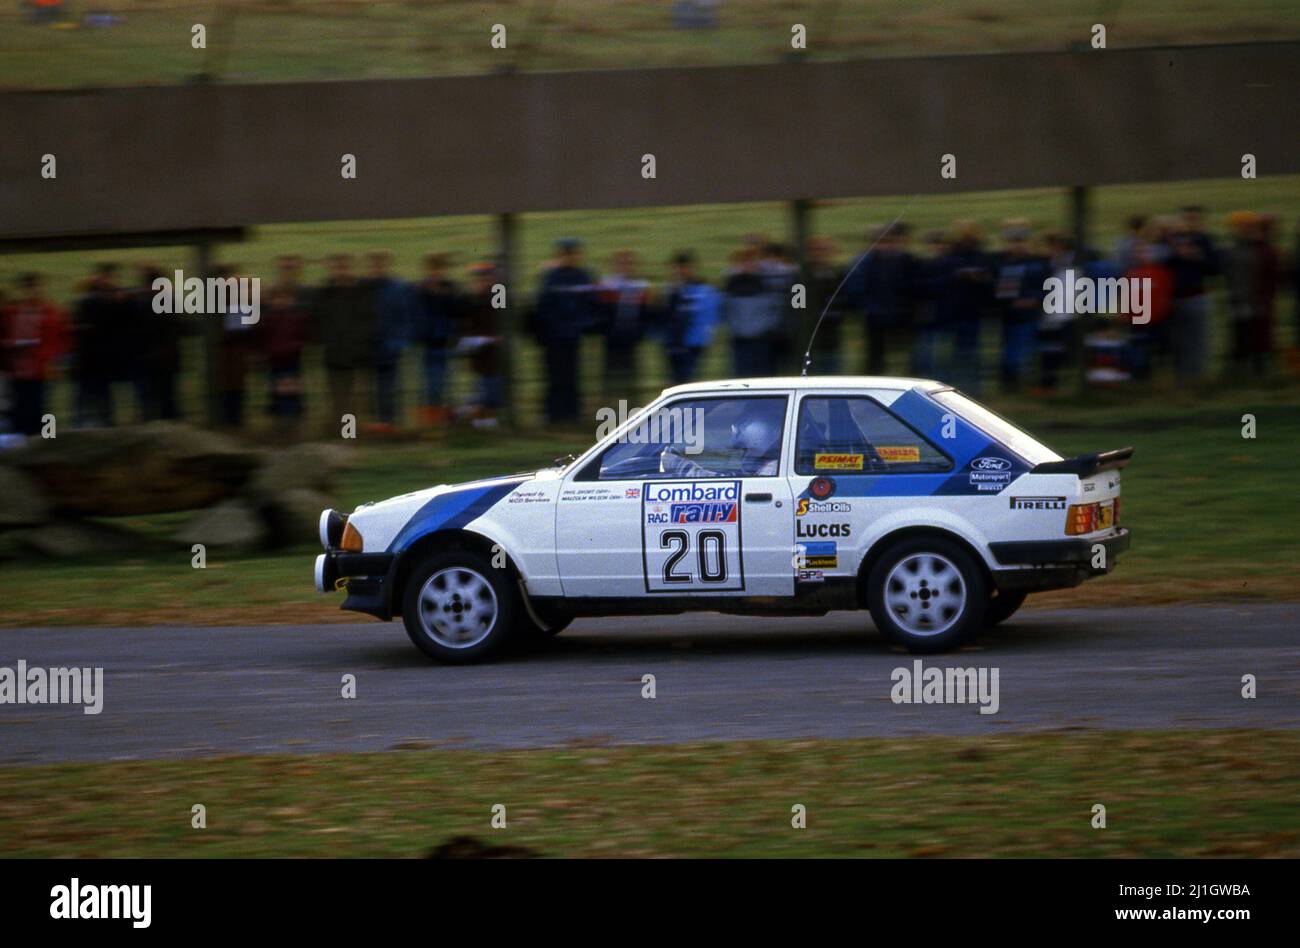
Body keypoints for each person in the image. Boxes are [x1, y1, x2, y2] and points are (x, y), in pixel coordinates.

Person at [534, 238, 595, 425]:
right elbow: (543, 306)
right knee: (554, 377)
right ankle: (553, 415)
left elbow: (589, 304)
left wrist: (581, 326)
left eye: (572, 253)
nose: (569, 257)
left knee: (572, 376)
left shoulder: (582, 276)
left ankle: (571, 415)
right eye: (566, 253)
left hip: (572, 336)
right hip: (554, 337)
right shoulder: (552, 277)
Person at [313, 253, 377, 430]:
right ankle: (342, 432)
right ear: (331, 269)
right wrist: (327, 341)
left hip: (358, 356)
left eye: (344, 267)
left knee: (356, 399)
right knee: (338, 399)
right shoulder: (325, 294)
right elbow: (318, 321)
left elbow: (369, 321)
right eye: (337, 267)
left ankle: (351, 434)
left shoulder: (361, 293)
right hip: (334, 355)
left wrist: (360, 344)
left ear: (351, 269)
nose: (341, 271)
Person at [1, 273, 68, 436]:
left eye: (35, 287)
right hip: (17, 369)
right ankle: (20, 439)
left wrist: (54, 358)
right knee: (19, 406)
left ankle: (48, 436)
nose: (31, 291)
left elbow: (61, 337)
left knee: (44, 406)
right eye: (27, 287)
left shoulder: (50, 311)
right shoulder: (11, 312)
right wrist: (10, 345)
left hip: (41, 368)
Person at [850, 223, 916, 375]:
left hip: (901, 315)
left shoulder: (906, 261)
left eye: (889, 241)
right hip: (875, 317)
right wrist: (869, 308)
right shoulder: (864, 262)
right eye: (881, 241)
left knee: (903, 357)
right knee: (875, 359)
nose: (885, 246)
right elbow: (856, 289)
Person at [992, 220, 1048, 393]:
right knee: (1012, 350)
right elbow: (1001, 291)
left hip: (1031, 314)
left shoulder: (1037, 263)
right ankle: (1011, 383)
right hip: (1011, 316)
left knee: (1026, 350)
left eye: (1020, 241)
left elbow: (1047, 286)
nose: (1017, 245)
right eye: (1013, 241)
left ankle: (1022, 382)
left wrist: (1035, 299)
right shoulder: (1004, 263)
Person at [1167, 204, 1220, 381]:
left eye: (1194, 219)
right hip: (1175, 299)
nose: (1190, 223)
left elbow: (1214, 269)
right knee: (1178, 340)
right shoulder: (1172, 240)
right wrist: (1176, 254)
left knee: (1198, 339)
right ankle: (1181, 377)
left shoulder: (1205, 241)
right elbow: (1164, 265)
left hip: (1197, 297)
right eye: (1187, 219)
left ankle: (1197, 377)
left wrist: (1197, 257)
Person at [73, 263, 129, 427]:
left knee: (93, 400)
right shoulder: (96, 301)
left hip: (97, 359)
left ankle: (89, 428)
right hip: (92, 359)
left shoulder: (110, 300)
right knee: (94, 400)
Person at [411, 253, 461, 429]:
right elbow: (416, 315)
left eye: (439, 268)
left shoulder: (451, 288)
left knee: (447, 386)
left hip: (446, 343)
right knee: (431, 387)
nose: (436, 272)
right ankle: (432, 425)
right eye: (433, 269)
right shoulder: (420, 290)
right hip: (428, 345)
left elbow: (456, 312)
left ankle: (448, 424)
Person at [942, 221, 992, 395]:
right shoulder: (953, 257)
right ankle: (959, 386)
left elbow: (989, 281)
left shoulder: (979, 257)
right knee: (960, 352)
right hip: (956, 310)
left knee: (969, 351)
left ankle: (970, 387)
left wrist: (978, 278)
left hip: (971, 311)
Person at [595, 250, 651, 402]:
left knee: (631, 379)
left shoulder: (639, 288)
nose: (625, 267)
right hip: (611, 341)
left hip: (631, 340)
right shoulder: (606, 286)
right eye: (621, 263)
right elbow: (599, 312)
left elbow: (645, 314)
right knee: (609, 380)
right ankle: (607, 409)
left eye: (628, 264)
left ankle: (632, 410)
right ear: (614, 266)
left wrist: (639, 334)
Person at [364, 251, 411, 432]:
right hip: (369, 348)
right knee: (370, 390)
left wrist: (397, 344)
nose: (377, 269)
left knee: (388, 388)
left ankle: (389, 424)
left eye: (380, 265)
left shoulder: (396, 289)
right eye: (374, 265)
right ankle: (373, 425)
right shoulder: (366, 288)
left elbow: (403, 317)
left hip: (389, 348)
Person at [661, 251, 720, 384]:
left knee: (688, 381)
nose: (680, 271)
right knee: (675, 382)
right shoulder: (671, 290)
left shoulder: (703, 290)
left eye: (683, 267)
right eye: (677, 268)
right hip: (673, 345)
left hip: (693, 344)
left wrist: (704, 335)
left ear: (691, 267)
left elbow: (709, 316)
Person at [459, 261, 504, 427]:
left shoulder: (497, 294)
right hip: (480, 352)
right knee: (486, 389)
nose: (484, 281)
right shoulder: (472, 299)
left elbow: (499, 315)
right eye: (481, 277)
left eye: (488, 277)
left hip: (494, 354)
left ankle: (477, 416)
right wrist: (484, 340)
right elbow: (467, 329)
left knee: (491, 389)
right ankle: (474, 416)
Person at [723, 247, 778, 377]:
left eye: (751, 262)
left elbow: (773, 310)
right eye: (744, 262)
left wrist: (764, 327)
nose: (748, 265)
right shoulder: (732, 285)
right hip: (740, 339)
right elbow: (727, 310)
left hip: (762, 339)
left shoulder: (766, 284)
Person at [801, 236, 845, 374]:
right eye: (816, 250)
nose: (820, 253)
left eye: (824, 250)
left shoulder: (838, 275)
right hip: (807, 337)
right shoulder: (800, 276)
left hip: (831, 336)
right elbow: (797, 305)